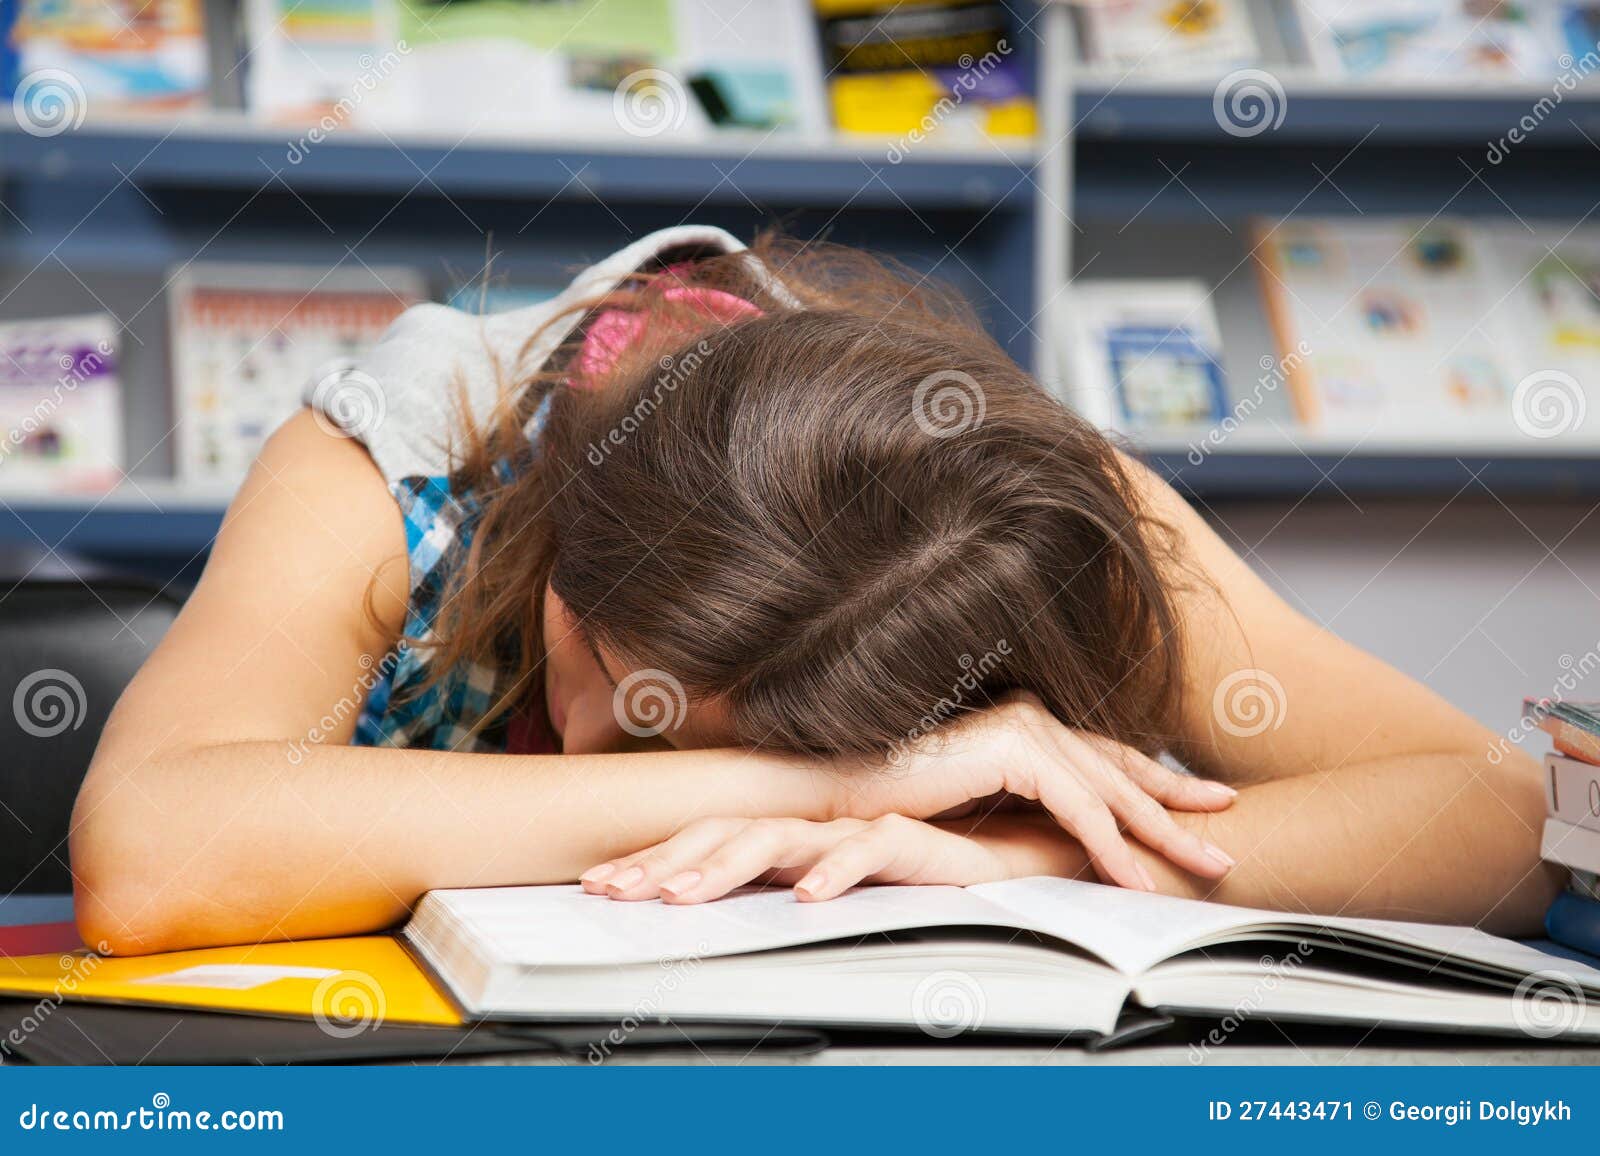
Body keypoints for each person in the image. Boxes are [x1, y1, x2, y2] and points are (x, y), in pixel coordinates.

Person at [70, 227, 1558, 955]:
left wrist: (1013, 867)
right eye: (598, 651)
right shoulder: (420, 443)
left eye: (668, 732)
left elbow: (1501, 815)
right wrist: (841, 786)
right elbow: (149, 855)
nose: (590, 741)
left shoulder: (991, 520)